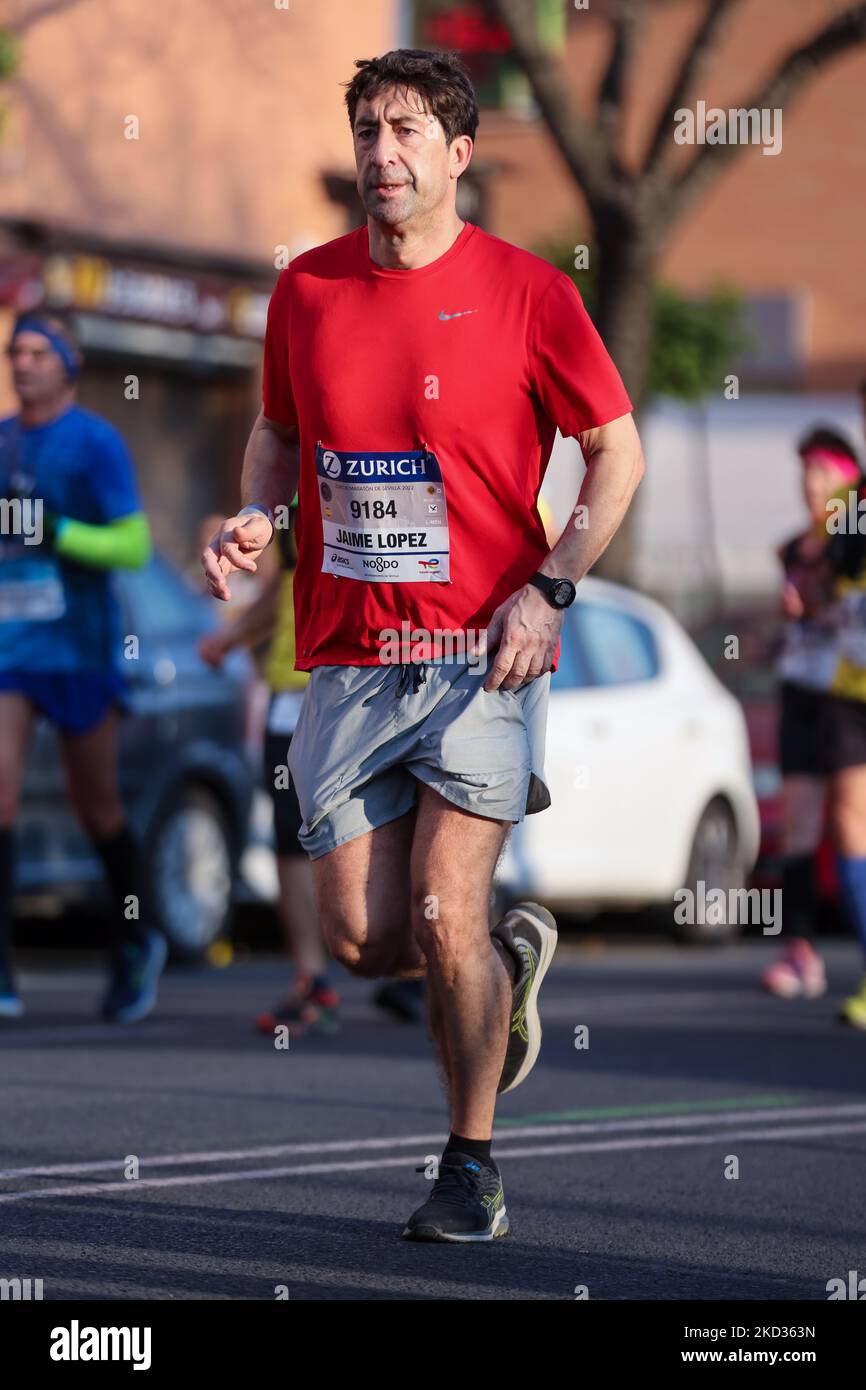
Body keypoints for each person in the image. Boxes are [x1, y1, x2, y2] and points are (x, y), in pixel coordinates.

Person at [203, 49, 644, 1241]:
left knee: (443, 915)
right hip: (346, 653)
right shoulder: (307, 292)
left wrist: (548, 588)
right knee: (361, 940)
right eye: (364, 131)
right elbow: (274, 435)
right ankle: (506, 959)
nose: (380, 154)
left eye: (404, 131)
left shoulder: (529, 294)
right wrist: (258, 514)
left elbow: (617, 451)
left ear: (456, 157)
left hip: (482, 649)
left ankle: (470, 1165)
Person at [0, 310, 166, 1023]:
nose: (24, 363)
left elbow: (132, 546)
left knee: (95, 803)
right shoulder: (1, 440)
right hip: (12, 649)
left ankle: (137, 938)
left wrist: (57, 530)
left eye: (39, 352)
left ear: (68, 362)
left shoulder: (95, 443)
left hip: (82, 647)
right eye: (16, 351)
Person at [199, 500, 340, 1035]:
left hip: (359, 688)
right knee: (290, 839)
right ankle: (313, 979)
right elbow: (281, 595)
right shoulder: (286, 505)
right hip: (288, 692)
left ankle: (412, 966)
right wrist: (230, 638)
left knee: (374, 829)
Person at [761, 427, 862, 999]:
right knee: (799, 822)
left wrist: (815, 601)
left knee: (853, 827)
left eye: (823, 472)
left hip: (848, 695)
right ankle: (800, 953)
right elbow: (804, 621)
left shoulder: (853, 533)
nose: (811, 485)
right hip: (803, 690)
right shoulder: (792, 548)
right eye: (805, 473)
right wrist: (779, 634)